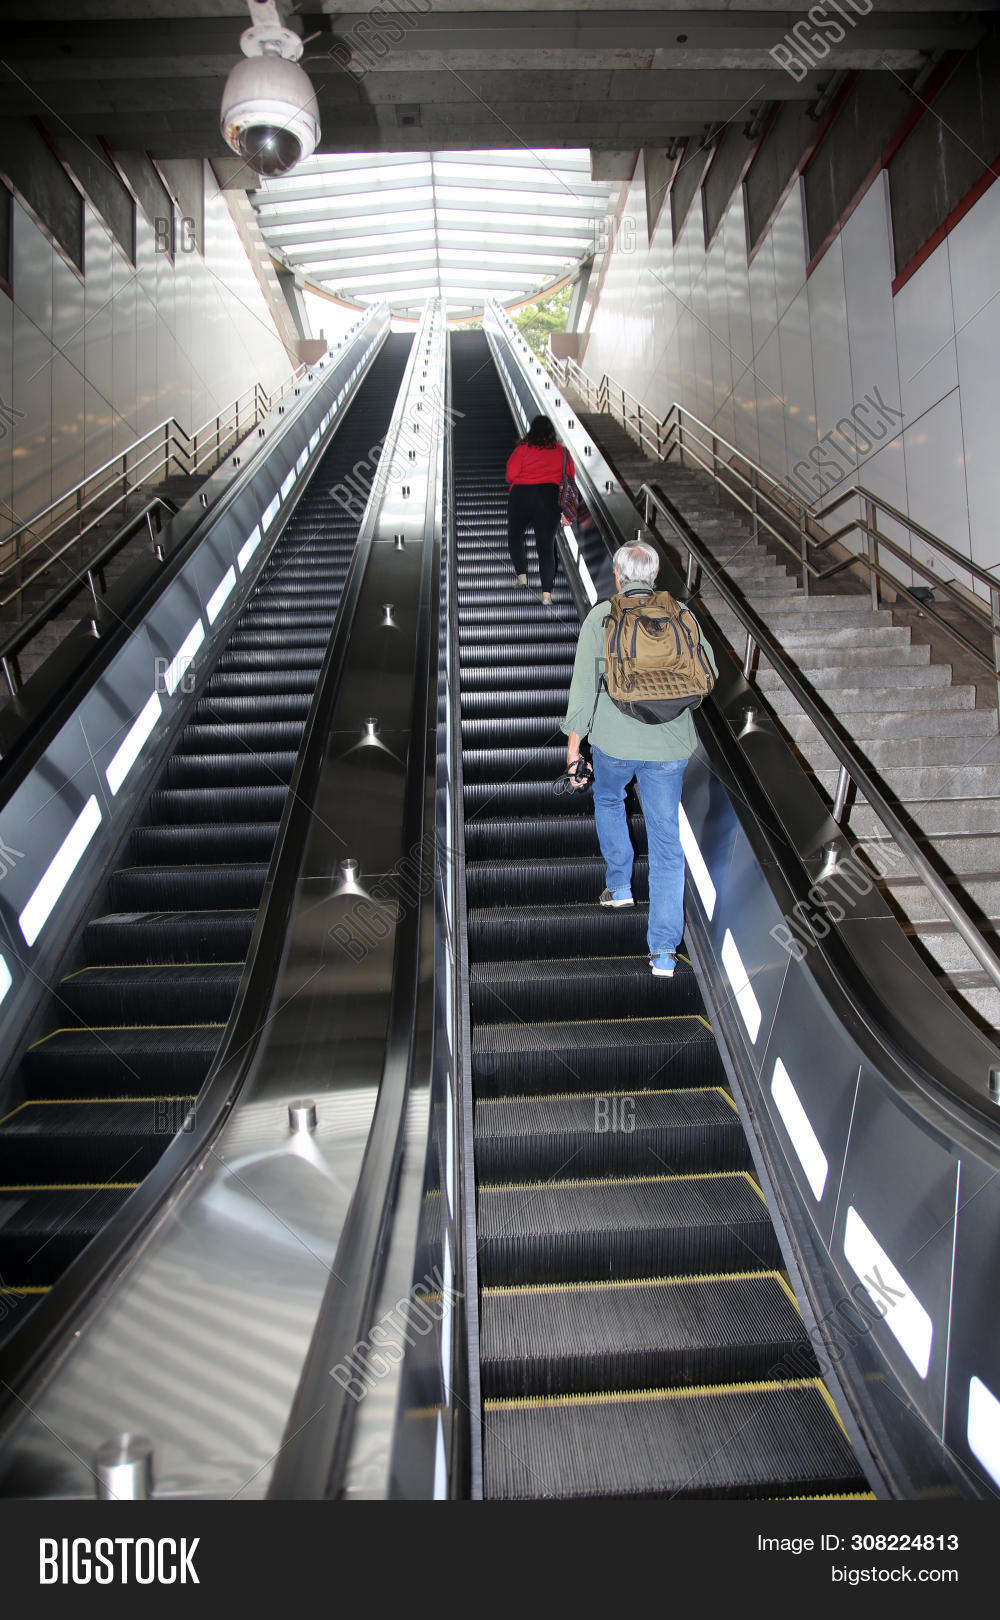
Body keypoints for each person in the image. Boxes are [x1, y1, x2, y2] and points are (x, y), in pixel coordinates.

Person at [561, 539, 717, 978]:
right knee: (667, 843)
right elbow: (711, 674)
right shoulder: (682, 615)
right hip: (670, 747)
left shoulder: (603, 617)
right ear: (653, 577)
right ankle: (664, 952)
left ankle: (619, 885)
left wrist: (575, 751)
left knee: (609, 799)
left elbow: (583, 689)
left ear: (617, 575)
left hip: (614, 742)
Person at [505, 415, 575, 607]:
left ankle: (522, 576)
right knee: (546, 548)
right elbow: (569, 478)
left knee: (514, 536)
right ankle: (546, 595)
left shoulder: (522, 449)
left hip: (522, 496)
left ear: (531, 430)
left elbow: (510, 475)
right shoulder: (563, 452)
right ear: (552, 432)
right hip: (549, 497)